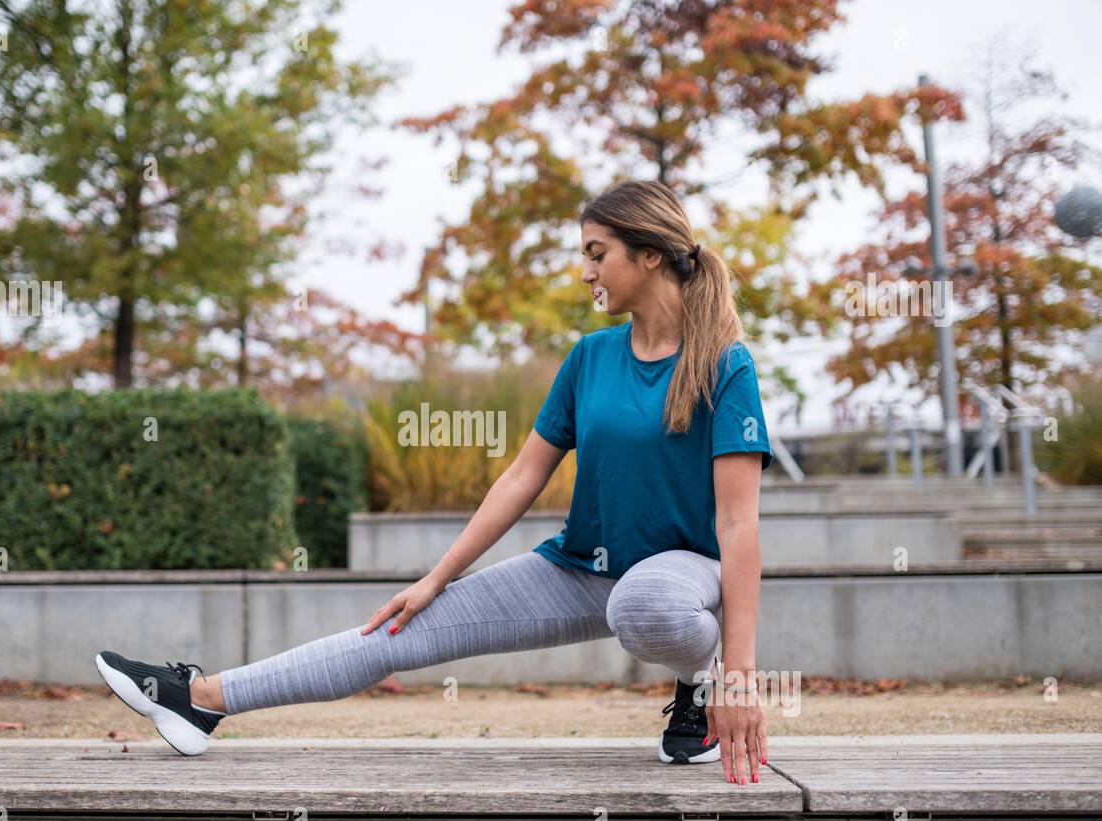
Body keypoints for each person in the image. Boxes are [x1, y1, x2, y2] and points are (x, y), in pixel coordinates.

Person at [94, 179, 773, 786]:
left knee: (645, 604)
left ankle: (697, 686)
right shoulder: (591, 357)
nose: (586, 269)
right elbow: (521, 476)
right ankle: (202, 699)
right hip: (583, 567)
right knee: (403, 630)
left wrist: (737, 676)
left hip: (681, 576)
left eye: (598, 252)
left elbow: (739, 525)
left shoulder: (726, 366)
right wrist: (436, 577)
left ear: (648, 253)